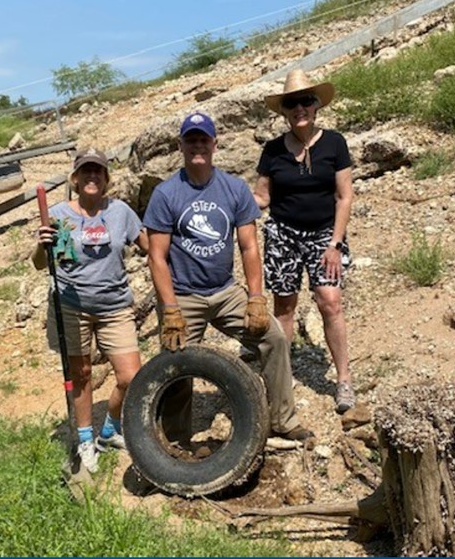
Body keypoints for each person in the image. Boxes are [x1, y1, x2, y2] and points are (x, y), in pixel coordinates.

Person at [143, 111, 314, 446]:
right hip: (183, 295)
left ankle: (283, 420)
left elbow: (249, 246)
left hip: (225, 292)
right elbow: (157, 257)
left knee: (274, 338)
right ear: (180, 146)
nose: (198, 146)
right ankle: (175, 442)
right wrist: (170, 309)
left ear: (215, 144)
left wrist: (256, 298)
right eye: (191, 140)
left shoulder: (234, 189)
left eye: (203, 140)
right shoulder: (166, 194)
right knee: (176, 361)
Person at [33, 148, 149, 473]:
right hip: (72, 306)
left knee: (130, 376)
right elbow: (41, 263)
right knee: (81, 373)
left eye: (98, 171)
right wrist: (41, 245)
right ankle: (85, 438)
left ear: (106, 178)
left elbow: (149, 245)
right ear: (75, 178)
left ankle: (109, 430)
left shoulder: (121, 212)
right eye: (86, 171)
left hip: (115, 306)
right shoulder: (58, 214)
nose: (92, 176)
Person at [255, 69, 356, 414]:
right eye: (292, 103)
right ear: (284, 111)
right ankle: (281, 381)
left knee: (330, 301)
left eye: (306, 101)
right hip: (283, 233)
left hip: (325, 234)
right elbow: (262, 197)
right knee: (284, 306)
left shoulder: (335, 143)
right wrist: (227, 198)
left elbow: (344, 196)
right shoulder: (272, 150)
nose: (300, 108)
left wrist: (335, 244)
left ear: (316, 106)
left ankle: (343, 379)